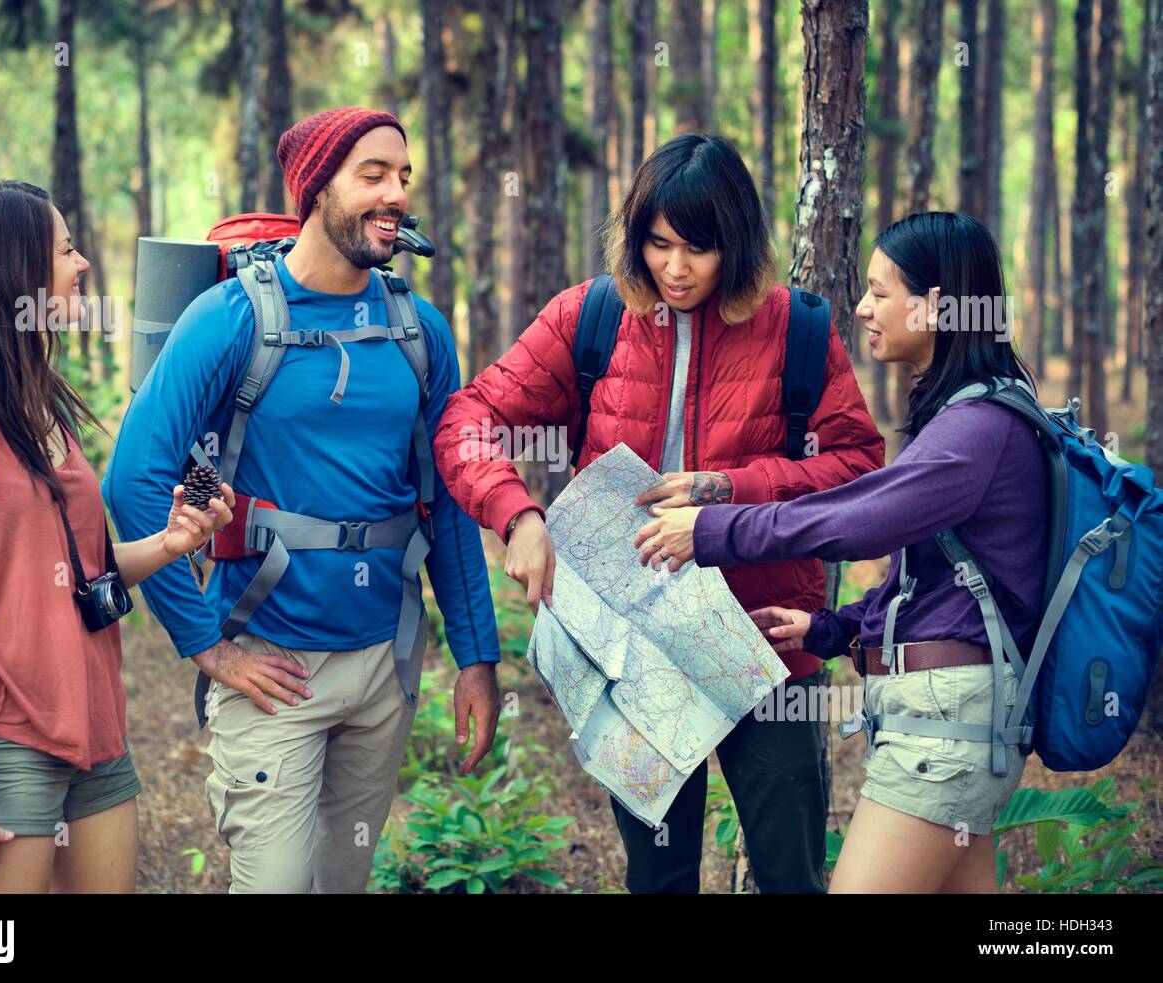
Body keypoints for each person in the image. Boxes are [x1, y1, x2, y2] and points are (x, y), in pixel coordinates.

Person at [434, 133, 885, 893]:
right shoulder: (593, 317)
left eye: (698, 249)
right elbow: (466, 419)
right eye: (658, 244)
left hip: (768, 644)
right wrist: (517, 514)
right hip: (634, 652)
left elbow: (859, 472)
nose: (674, 269)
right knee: (659, 875)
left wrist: (722, 489)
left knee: (790, 874)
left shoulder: (796, 328)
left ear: (735, 245)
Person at [102, 108, 502, 894]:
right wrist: (207, 644)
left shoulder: (418, 330)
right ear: (317, 188)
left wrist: (478, 657)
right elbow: (132, 477)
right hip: (271, 663)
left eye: (404, 176)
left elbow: (446, 502)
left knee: (341, 881)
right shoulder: (230, 319)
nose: (396, 194)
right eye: (373, 174)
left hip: (384, 668)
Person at [638, 211, 1044, 893]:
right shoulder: (974, 413)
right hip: (954, 722)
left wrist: (710, 529)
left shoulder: (978, 429)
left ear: (936, 305)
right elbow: (939, 584)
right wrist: (834, 628)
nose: (862, 307)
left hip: (946, 735)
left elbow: (853, 520)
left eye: (882, 292)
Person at [0, 180, 233, 893]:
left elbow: (81, 575)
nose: (82, 264)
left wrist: (171, 541)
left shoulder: (44, 406)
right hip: (0, 741)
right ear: (12, 271)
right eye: (66, 249)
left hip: (97, 736)